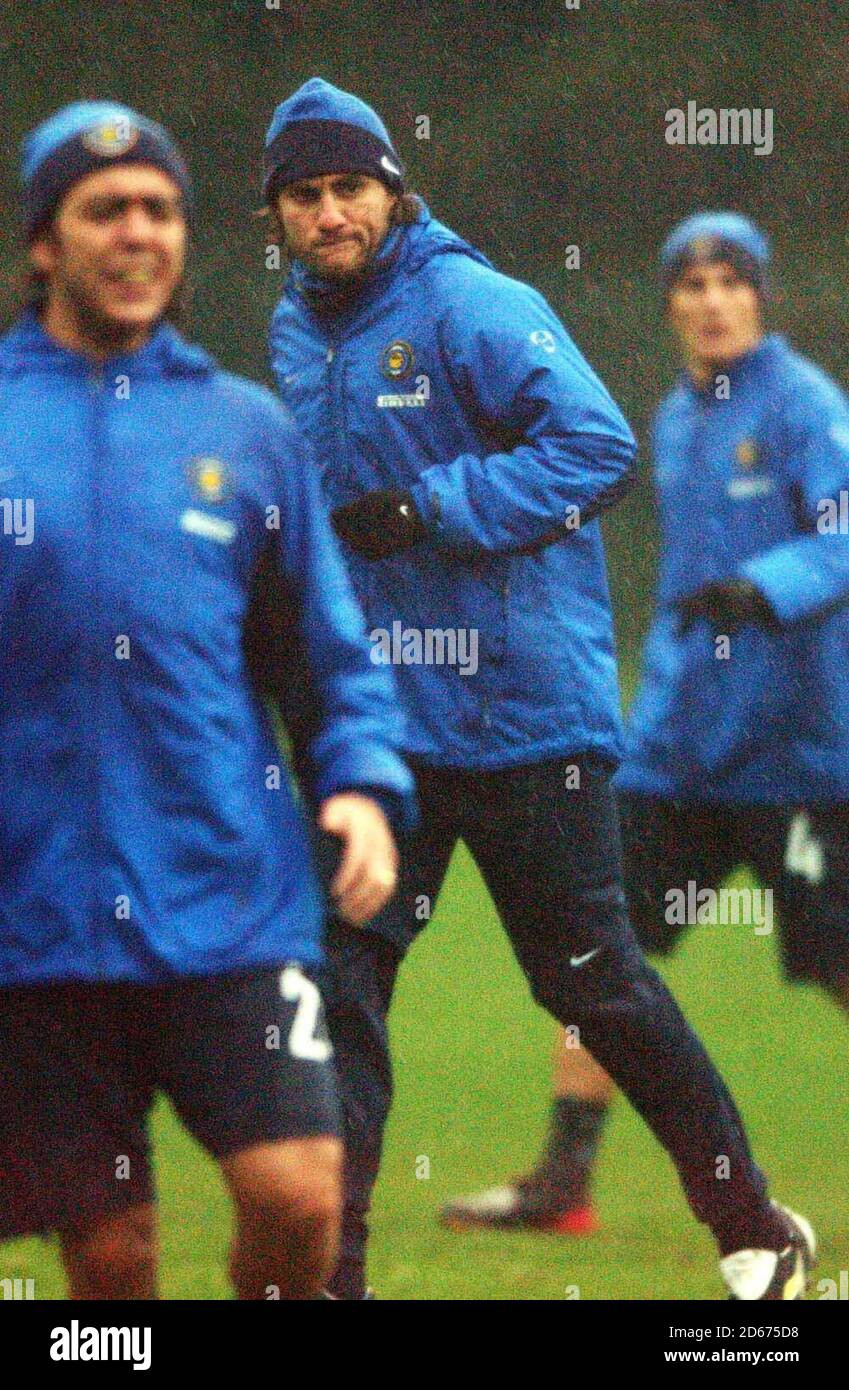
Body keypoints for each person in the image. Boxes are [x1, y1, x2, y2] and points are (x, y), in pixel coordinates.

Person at [263, 86, 813, 1301]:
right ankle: (328, 1281)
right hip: (388, 730)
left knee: (589, 981)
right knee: (341, 983)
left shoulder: (475, 304)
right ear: (279, 216)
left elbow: (594, 445)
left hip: (526, 720)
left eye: (349, 187)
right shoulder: (294, 335)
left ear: (392, 193)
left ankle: (751, 1220)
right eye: (304, 195)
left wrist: (438, 506)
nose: (329, 212)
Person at [0, 100, 414, 1301]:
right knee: (112, 1261)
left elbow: (330, 660)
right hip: (39, 918)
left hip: (229, 896)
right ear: (44, 241)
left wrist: (366, 793)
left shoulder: (246, 430)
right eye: (105, 209)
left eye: (162, 210)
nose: (139, 233)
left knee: (300, 1196)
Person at [443, 211, 849, 1248]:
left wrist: (765, 589)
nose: (712, 300)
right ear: (669, 301)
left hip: (799, 756)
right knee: (595, 951)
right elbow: (680, 590)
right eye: (693, 283)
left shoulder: (804, 406)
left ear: (760, 297)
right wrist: (652, 710)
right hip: (679, 755)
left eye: (731, 281)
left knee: (838, 963)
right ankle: (562, 1181)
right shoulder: (674, 415)